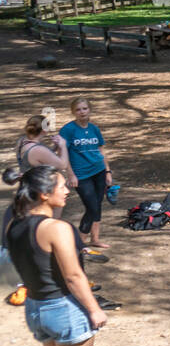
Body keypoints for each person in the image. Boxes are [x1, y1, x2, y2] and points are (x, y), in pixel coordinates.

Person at [3, 165, 107, 346]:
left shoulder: (15, 224)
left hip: (36, 308)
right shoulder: (56, 229)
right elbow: (73, 276)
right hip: (63, 309)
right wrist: (94, 309)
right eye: (60, 186)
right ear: (43, 194)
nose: (67, 189)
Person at [58, 98, 113, 249]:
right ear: (73, 112)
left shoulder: (94, 129)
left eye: (84, 108)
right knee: (92, 207)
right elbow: (63, 153)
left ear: (90, 110)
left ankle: (95, 239)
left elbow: (101, 150)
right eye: (78, 109)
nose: (82, 112)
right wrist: (70, 174)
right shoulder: (68, 130)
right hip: (81, 175)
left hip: (99, 171)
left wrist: (107, 171)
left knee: (98, 206)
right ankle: (79, 245)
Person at [16, 115, 73, 217]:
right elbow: (63, 164)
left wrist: (55, 147)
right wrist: (63, 145)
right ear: (44, 130)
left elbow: (40, 158)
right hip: (40, 193)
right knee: (48, 223)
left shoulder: (22, 141)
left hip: (26, 188)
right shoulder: (37, 149)